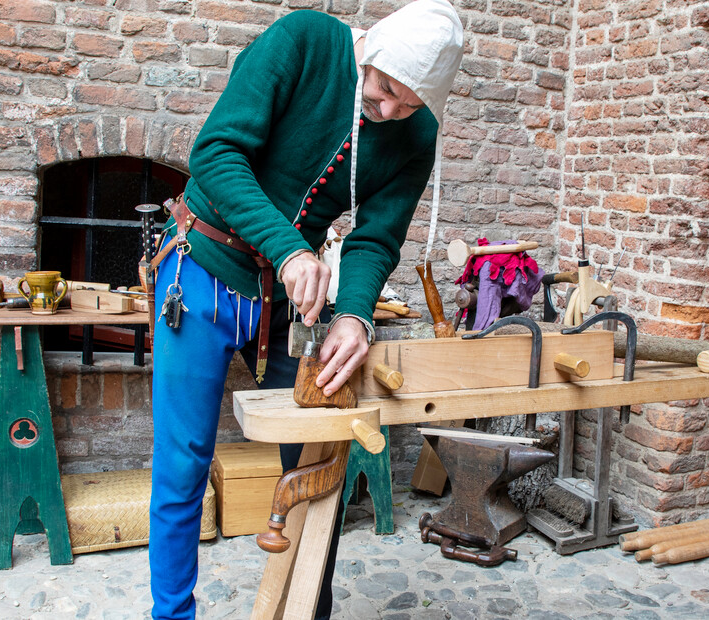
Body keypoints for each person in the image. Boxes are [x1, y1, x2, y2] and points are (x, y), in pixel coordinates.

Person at [147, 1, 464, 618]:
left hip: (294, 308)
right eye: (385, 91)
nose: (391, 112)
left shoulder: (417, 133)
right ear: (368, 48)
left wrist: (353, 315)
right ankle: (171, 613)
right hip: (203, 270)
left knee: (319, 460)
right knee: (182, 464)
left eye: (411, 104)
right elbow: (215, 154)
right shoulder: (302, 41)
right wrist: (291, 251)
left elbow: (376, 237)